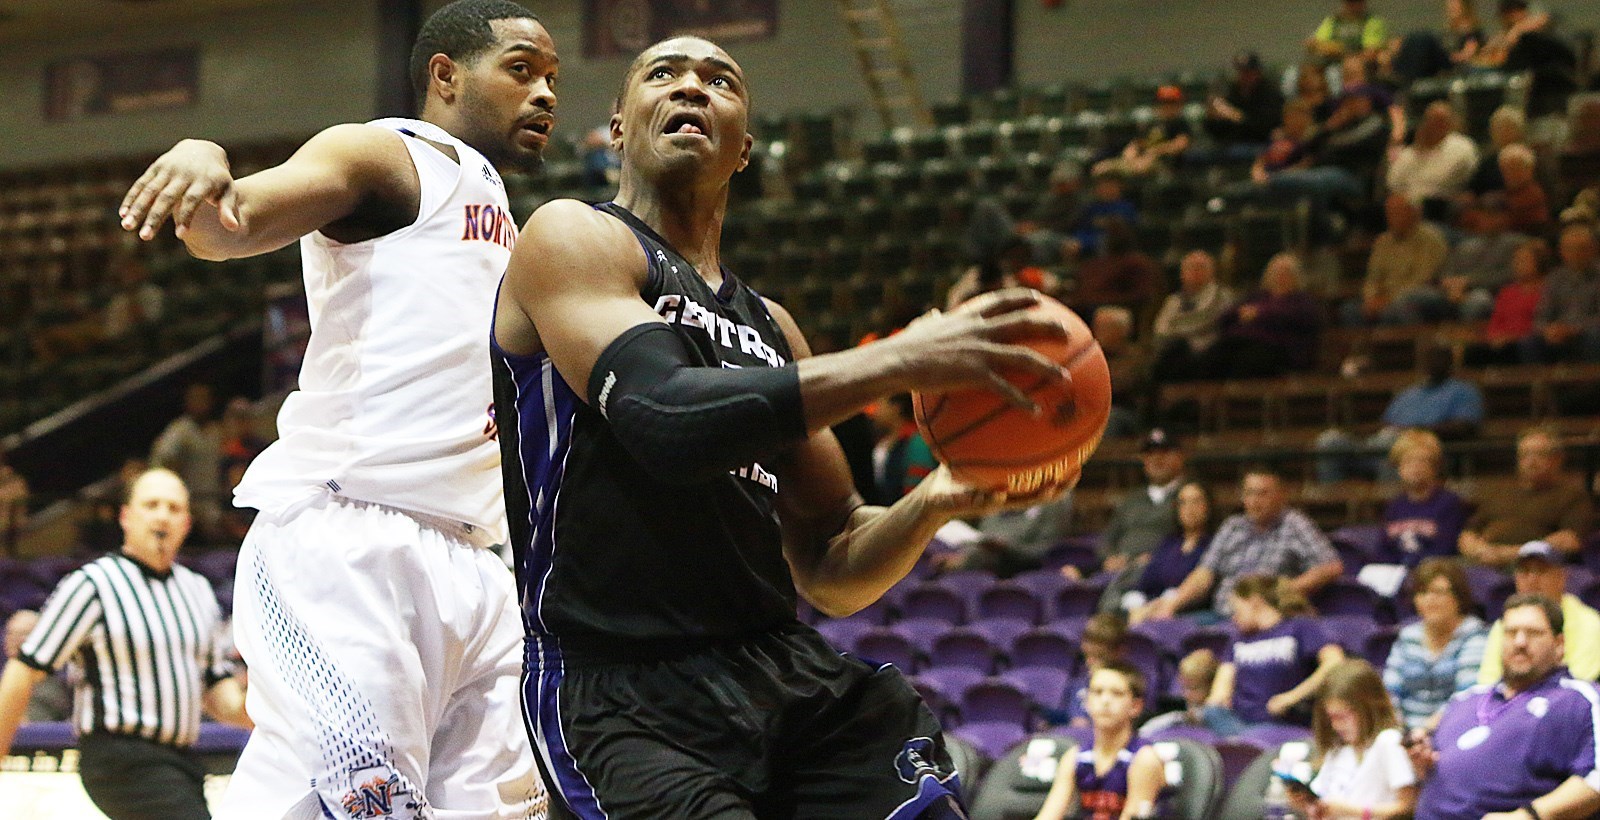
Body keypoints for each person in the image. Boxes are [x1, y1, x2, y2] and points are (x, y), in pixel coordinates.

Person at [491, 35, 1077, 817]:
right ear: (620, 127)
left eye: (719, 81)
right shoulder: (573, 238)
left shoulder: (771, 325)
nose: (692, 88)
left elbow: (833, 563)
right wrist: (896, 359)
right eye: (662, 74)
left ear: (745, 149)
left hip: (774, 667)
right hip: (617, 686)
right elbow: (664, 420)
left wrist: (937, 498)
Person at [115, 1, 560, 815]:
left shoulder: (516, 223)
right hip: (354, 540)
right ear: (446, 74)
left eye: (553, 80)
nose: (544, 95)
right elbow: (229, 223)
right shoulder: (388, 153)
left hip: (474, 562)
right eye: (522, 70)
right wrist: (203, 152)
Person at [0, 469, 250, 819]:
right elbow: (24, 668)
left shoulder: (198, 590)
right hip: (120, 756)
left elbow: (216, 690)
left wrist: (262, 707)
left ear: (187, 524)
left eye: (174, 508)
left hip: (181, 760)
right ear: (126, 518)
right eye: (151, 505)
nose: (163, 515)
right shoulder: (94, 584)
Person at [1410, 593, 1600, 818]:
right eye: (1511, 633)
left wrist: (1528, 816)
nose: (1520, 642)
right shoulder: (1466, 699)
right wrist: (1422, 764)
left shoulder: (1578, 699)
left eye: (1533, 633)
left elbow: (1596, 779)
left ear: (1559, 644)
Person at [1143, 467, 1344, 622]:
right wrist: (1173, 604)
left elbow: (1331, 566)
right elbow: (1204, 574)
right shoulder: (1233, 526)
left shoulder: (1294, 524)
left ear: (1281, 495)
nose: (1255, 501)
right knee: (1170, 629)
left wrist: (1280, 591)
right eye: (1249, 493)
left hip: (1269, 618)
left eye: (1262, 493)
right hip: (1222, 616)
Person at [1314, 343, 1485, 484]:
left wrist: (1412, 432)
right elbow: (1386, 424)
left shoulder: (1463, 390)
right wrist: (1355, 431)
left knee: (1391, 441)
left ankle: (1387, 505)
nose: (1434, 362)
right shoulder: (1409, 392)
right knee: (1329, 440)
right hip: (1379, 446)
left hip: (1423, 452)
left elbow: (1464, 427)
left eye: (1440, 357)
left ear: (1450, 362)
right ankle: (1332, 504)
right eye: (1430, 358)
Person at [1203, 574, 1346, 736]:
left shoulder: (1299, 626)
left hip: (1285, 720)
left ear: (1255, 602)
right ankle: (1244, 742)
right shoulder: (1238, 639)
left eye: (1237, 609)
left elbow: (1334, 662)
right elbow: (1222, 684)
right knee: (1211, 713)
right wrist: (1218, 699)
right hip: (1241, 722)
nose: (1234, 618)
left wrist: (1292, 697)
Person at [1033, 662, 1166, 820]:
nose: (1105, 700)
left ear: (1135, 706)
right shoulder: (1074, 757)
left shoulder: (1144, 759)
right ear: (1087, 702)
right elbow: (1048, 816)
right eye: (1097, 692)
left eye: (1116, 693)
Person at [1288, 659, 1418, 819]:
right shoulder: (1338, 750)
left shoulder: (1388, 741)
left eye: (1342, 717)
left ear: (1368, 708)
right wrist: (1307, 806)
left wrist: (1351, 811)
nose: (1336, 726)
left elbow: (1407, 807)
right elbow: (1327, 808)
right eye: (1331, 718)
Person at [1459, 426, 1594, 568]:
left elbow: (1568, 542)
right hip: (1484, 564)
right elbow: (1468, 534)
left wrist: (1508, 554)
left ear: (1557, 459)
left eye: (1539, 454)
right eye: (1525, 455)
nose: (1531, 462)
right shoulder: (1499, 493)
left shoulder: (1572, 497)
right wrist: (1479, 551)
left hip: (1538, 569)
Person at [1382, 557, 1489, 730]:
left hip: (1454, 730)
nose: (1430, 600)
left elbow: (1465, 697)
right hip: (1405, 731)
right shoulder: (1408, 636)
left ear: (1458, 597)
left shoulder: (1475, 636)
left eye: (1438, 592)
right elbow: (1389, 691)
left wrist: (1424, 731)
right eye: (1423, 593)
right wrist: (1398, 729)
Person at [1477, 540, 1600, 683]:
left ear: (1561, 577)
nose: (1532, 579)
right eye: (1525, 571)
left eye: (1541, 571)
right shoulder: (1503, 624)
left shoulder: (1589, 622)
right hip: (1510, 703)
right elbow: (1487, 682)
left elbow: (1580, 681)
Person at [1210, 253, 1324, 378]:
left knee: (1247, 361)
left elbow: (1300, 318)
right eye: (1276, 273)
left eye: (1286, 273)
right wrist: (1240, 313)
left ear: (1296, 277)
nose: (1280, 277)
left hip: (1277, 349)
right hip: (1239, 341)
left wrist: (1259, 313)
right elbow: (1228, 315)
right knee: (1212, 357)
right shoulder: (1256, 297)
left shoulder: (1301, 301)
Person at [1345, 194, 1449, 326]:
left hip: (1417, 297)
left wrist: (1387, 300)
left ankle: (1405, 344)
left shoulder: (1431, 240)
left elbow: (1424, 279)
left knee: (1400, 307)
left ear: (1414, 213)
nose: (1391, 218)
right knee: (1350, 310)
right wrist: (1371, 299)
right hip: (1382, 298)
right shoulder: (1383, 242)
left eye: (1398, 212)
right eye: (1389, 213)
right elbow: (1372, 279)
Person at [1376, 430, 1470, 565]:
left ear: (1434, 467)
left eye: (1422, 461)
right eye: (1408, 461)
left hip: (1433, 571)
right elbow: (1384, 548)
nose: (1415, 468)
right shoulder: (1395, 506)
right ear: (1399, 468)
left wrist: (1413, 564)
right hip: (1397, 571)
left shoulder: (1448, 503)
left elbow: (1446, 547)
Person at [1127, 481, 1215, 618]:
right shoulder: (1169, 543)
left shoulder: (1214, 544)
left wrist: (1161, 606)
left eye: (1196, 501)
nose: (1189, 508)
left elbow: (1202, 592)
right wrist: (1139, 607)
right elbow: (1145, 582)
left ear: (1208, 506)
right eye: (1183, 502)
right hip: (1148, 610)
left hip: (1186, 613)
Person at [1149, 250, 1237, 383]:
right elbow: (1160, 330)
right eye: (1191, 268)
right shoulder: (1174, 300)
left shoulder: (1222, 297)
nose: (1196, 272)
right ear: (1182, 274)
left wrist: (1176, 328)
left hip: (1207, 351)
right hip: (1174, 351)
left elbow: (1206, 322)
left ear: (1212, 272)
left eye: (1201, 268)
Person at [151, 383, 223, 541]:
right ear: (187, 402)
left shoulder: (215, 431)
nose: (201, 403)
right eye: (196, 398)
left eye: (204, 398)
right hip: (187, 509)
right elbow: (165, 465)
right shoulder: (179, 431)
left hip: (212, 505)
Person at [1524, 223, 1600, 364]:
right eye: (1570, 249)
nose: (1576, 254)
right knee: (1530, 341)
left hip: (1586, 333)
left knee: (1594, 336)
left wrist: (1573, 329)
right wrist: (1548, 329)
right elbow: (1541, 316)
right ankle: (1540, 384)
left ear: (1593, 249)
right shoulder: (1555, 279)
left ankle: (1591, 383)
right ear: (1562, 252)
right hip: (1558, 334)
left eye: (1581, 248)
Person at [1384, 101, 1479, 213]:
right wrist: (1420, 151)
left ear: (1451, 122)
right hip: (1405, 206)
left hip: (1440, 206)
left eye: (1440, 121)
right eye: (1431, 120)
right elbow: (1393, 182)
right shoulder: (1409, 153)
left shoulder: (1462, 146)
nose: (1434, 126)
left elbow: (1443, 181)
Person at [1472, 236, 1549, 365]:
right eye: (1516, 260)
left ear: (1539, 262)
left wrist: (1510, 337)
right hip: (1500, 340)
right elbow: (1496, 321)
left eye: (1524, 260)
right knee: (1474, 351)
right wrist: (1494, 336)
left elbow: (1540, 323)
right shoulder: (1507, 292)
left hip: (1525, 341)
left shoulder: (1548, 291)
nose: (1518, 264)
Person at [1048, 613, 1133, 730]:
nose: (1090, 662)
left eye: (1099, 657)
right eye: (1087, 656)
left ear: (1119, 652)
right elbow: (1068, 717)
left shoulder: (1129, 687)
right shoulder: (1076, 685)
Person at [1093, 85, 1191, 179]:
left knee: (1142, 167)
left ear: (1179, 105)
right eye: (1163, 103)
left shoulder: (1181, 124)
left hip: (1164, 164)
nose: (1166, 107)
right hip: (1139, 160)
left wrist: (1154, 152)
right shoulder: (1152, 124)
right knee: (1100, 168)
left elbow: (1180, 145)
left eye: (1171, 103)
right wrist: (1131, 155)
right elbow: (1137, 143)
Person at [1203, 51, 1286, 148]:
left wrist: (1237, 116)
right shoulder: (1232, 92)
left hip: (1262, 146)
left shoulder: (1270, 94)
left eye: (1248, 72)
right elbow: (1215, 130)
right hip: (1231, 146)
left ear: (1257, 72)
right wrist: (1213, 118)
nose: (1243, 76)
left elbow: (1267, 126)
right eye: (1240, 71)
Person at [1092, 306, 1150, 440]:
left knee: (1110, 419)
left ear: (1122, 331)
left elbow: (1120, 386)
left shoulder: (1136, 357)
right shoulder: (1092, 357)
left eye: (1104, 327)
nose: (1096, 332)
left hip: (1126, 411)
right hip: (1093, 410)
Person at [2, 610, 71, 722]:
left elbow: (28, 730)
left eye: (22, 634)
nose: (14, 638)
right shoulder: (6, 676)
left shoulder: (47, 689)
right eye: (10, 633)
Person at [1139, 648, 1220, 736]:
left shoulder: (1219, 717)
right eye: (1184, 688)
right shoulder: (1182, 716)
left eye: (1194, 688)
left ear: (1212, 686)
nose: (1186, 695)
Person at [1307, 0, 1390, 68]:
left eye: (1355, 2)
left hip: (1359, 67)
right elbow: (1313, 44)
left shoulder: (1373, 22)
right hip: (1329, 64)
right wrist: (1330, 48)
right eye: (1349, 2)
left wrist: (1341, 51)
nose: (1352, 6)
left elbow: (1370, 53)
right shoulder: (1333, 21)